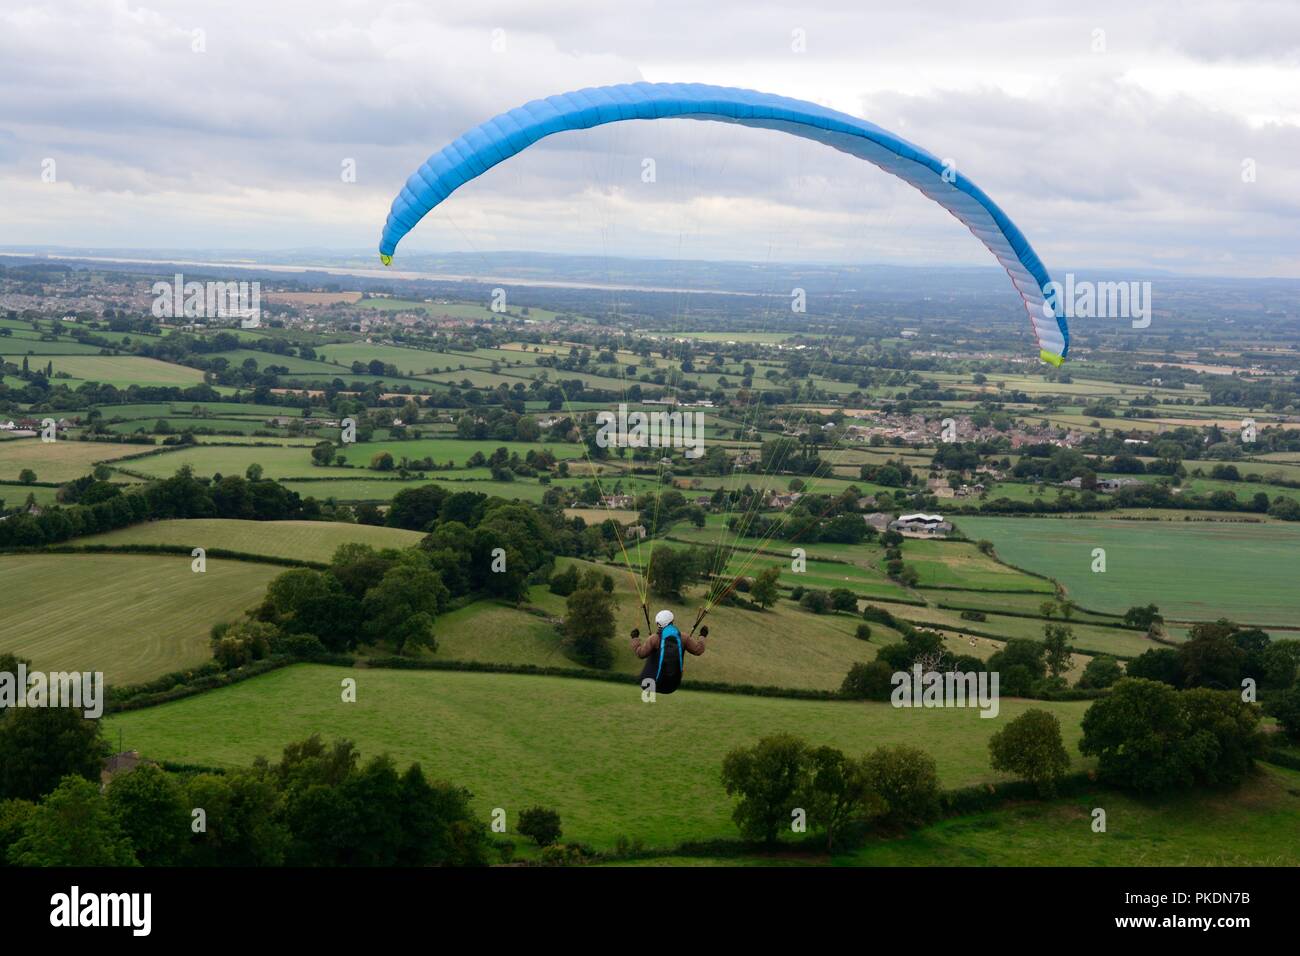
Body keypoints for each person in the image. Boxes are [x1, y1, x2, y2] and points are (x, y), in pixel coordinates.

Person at [630, 609, 708, 695]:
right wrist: (702, 635)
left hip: (650, 684)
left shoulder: (654, 639)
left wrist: (635, 638)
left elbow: (640, 653)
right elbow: (698, 650)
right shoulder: (683, 638)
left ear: (658, 624)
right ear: (672, 621)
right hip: (672, 686)